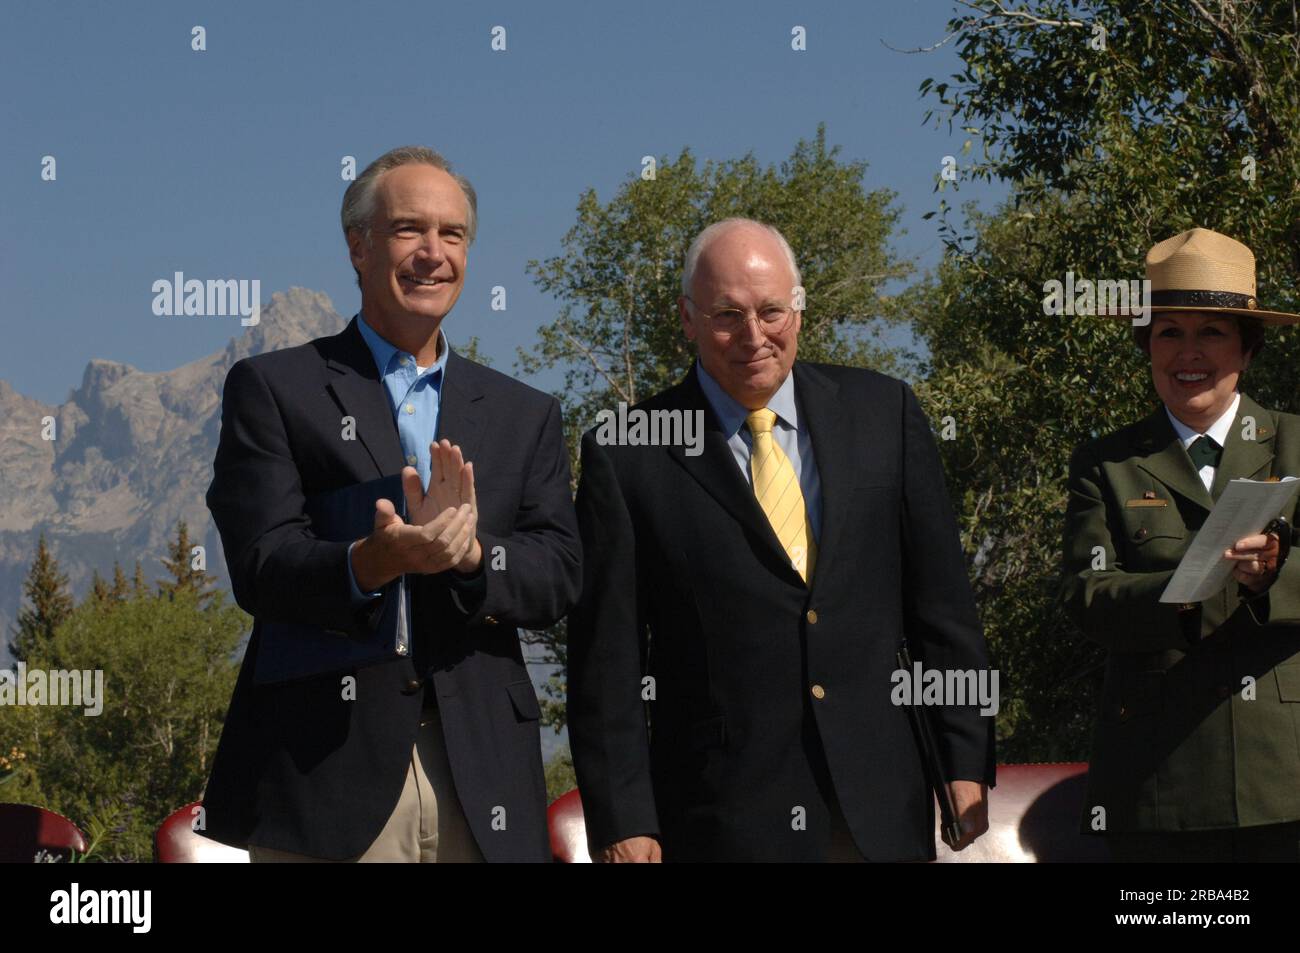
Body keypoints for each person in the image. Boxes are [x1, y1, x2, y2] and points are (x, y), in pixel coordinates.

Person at [567, 218, 995, 862]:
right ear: (686, 318)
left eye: (772, 311)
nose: (753, 336)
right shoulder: (626, 451)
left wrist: (965, 756)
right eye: (726, 315)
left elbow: (944, 609)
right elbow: (607, 662)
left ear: (800, 308)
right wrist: (624, 817)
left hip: (879, 807)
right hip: (721, 818)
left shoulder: (886, 413)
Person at [200, 146, 581, 862]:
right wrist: (367, 562)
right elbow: (261, 564)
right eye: (409, 229)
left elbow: (559, 569)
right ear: (359, 246)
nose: (433, 253)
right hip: (325, 776)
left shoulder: (523, 413)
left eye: (453, 234)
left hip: (484, 776)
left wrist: (473, 555)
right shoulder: (275, 389)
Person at [1062, 226, 1300, 862]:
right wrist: (1186, 587)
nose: (1187, 352)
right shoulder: (1104, 464)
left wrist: (1272, 573)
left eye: (1211, 332)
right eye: (1169, 332)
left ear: (1247, 350)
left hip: (1286, 775)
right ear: (1146, 346)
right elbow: (1086, 595)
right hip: (1153, 781)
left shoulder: (1296, 441)